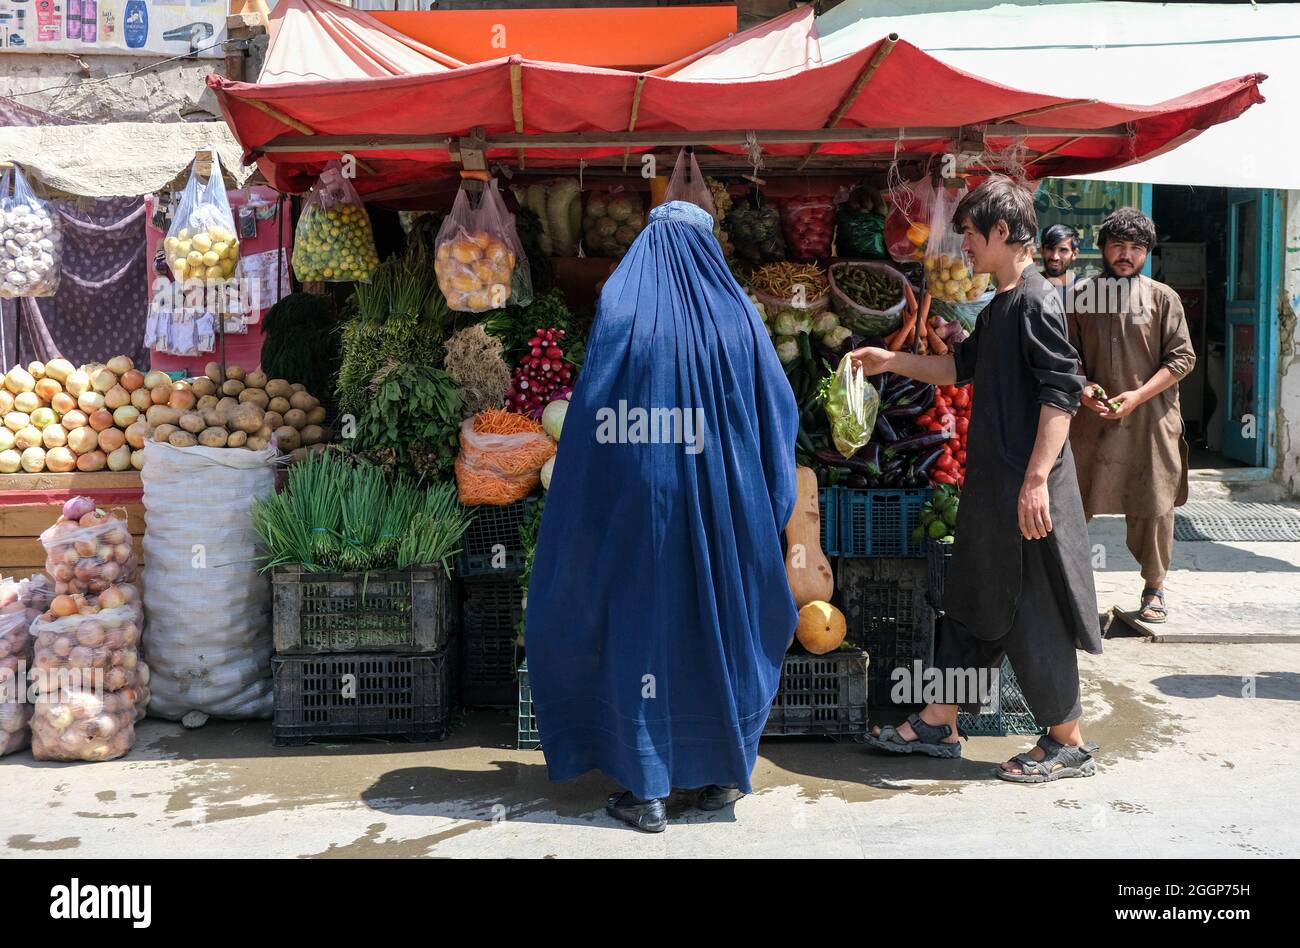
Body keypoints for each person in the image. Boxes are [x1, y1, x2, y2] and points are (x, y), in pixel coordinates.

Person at [524, 199, 799, 833]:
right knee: (721, 625)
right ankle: (721, 776)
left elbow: (593, 413)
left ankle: (646, 790)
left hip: (639, 505)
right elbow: (776, 413)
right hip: (725, 504)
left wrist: (588, 510)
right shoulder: (737, 314)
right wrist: (768, 502)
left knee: (642, 633)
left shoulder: (623, 309)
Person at [853, 175, 1102, 782]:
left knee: (1032, 609)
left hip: (1027, 496)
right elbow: (955, 368)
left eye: (968, 231)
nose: (962, 242)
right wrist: (890, 361)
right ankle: (940, 719)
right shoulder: (1001, 307)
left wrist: (1037, 479)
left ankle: (1067, 740)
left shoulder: (1038, 301)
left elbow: (1061, 395)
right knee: (971, 606)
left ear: (1001, 232)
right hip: (994, 491)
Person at [1066, 207, 1195, 623]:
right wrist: (1083, 386)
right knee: (1071, 500)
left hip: (1149, 420)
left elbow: (1182, 359)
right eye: (1118, 245)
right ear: (1102, 247)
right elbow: (1065, 355)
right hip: (1091, 420)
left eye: (1136, 248)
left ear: (1147, 254)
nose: (1126, 255)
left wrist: (1139, 395)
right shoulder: (1080, 296)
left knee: (1154, 503)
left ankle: (1154, 587)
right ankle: (1066, 588)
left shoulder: (1162, 298)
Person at [1040, 223, 1080, 300]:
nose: (1055, 257)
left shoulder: (1084, 290)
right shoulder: (1028, 287)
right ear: (1042, 251)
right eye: (1050, 249)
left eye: (1063, 250)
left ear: (1074, 254)